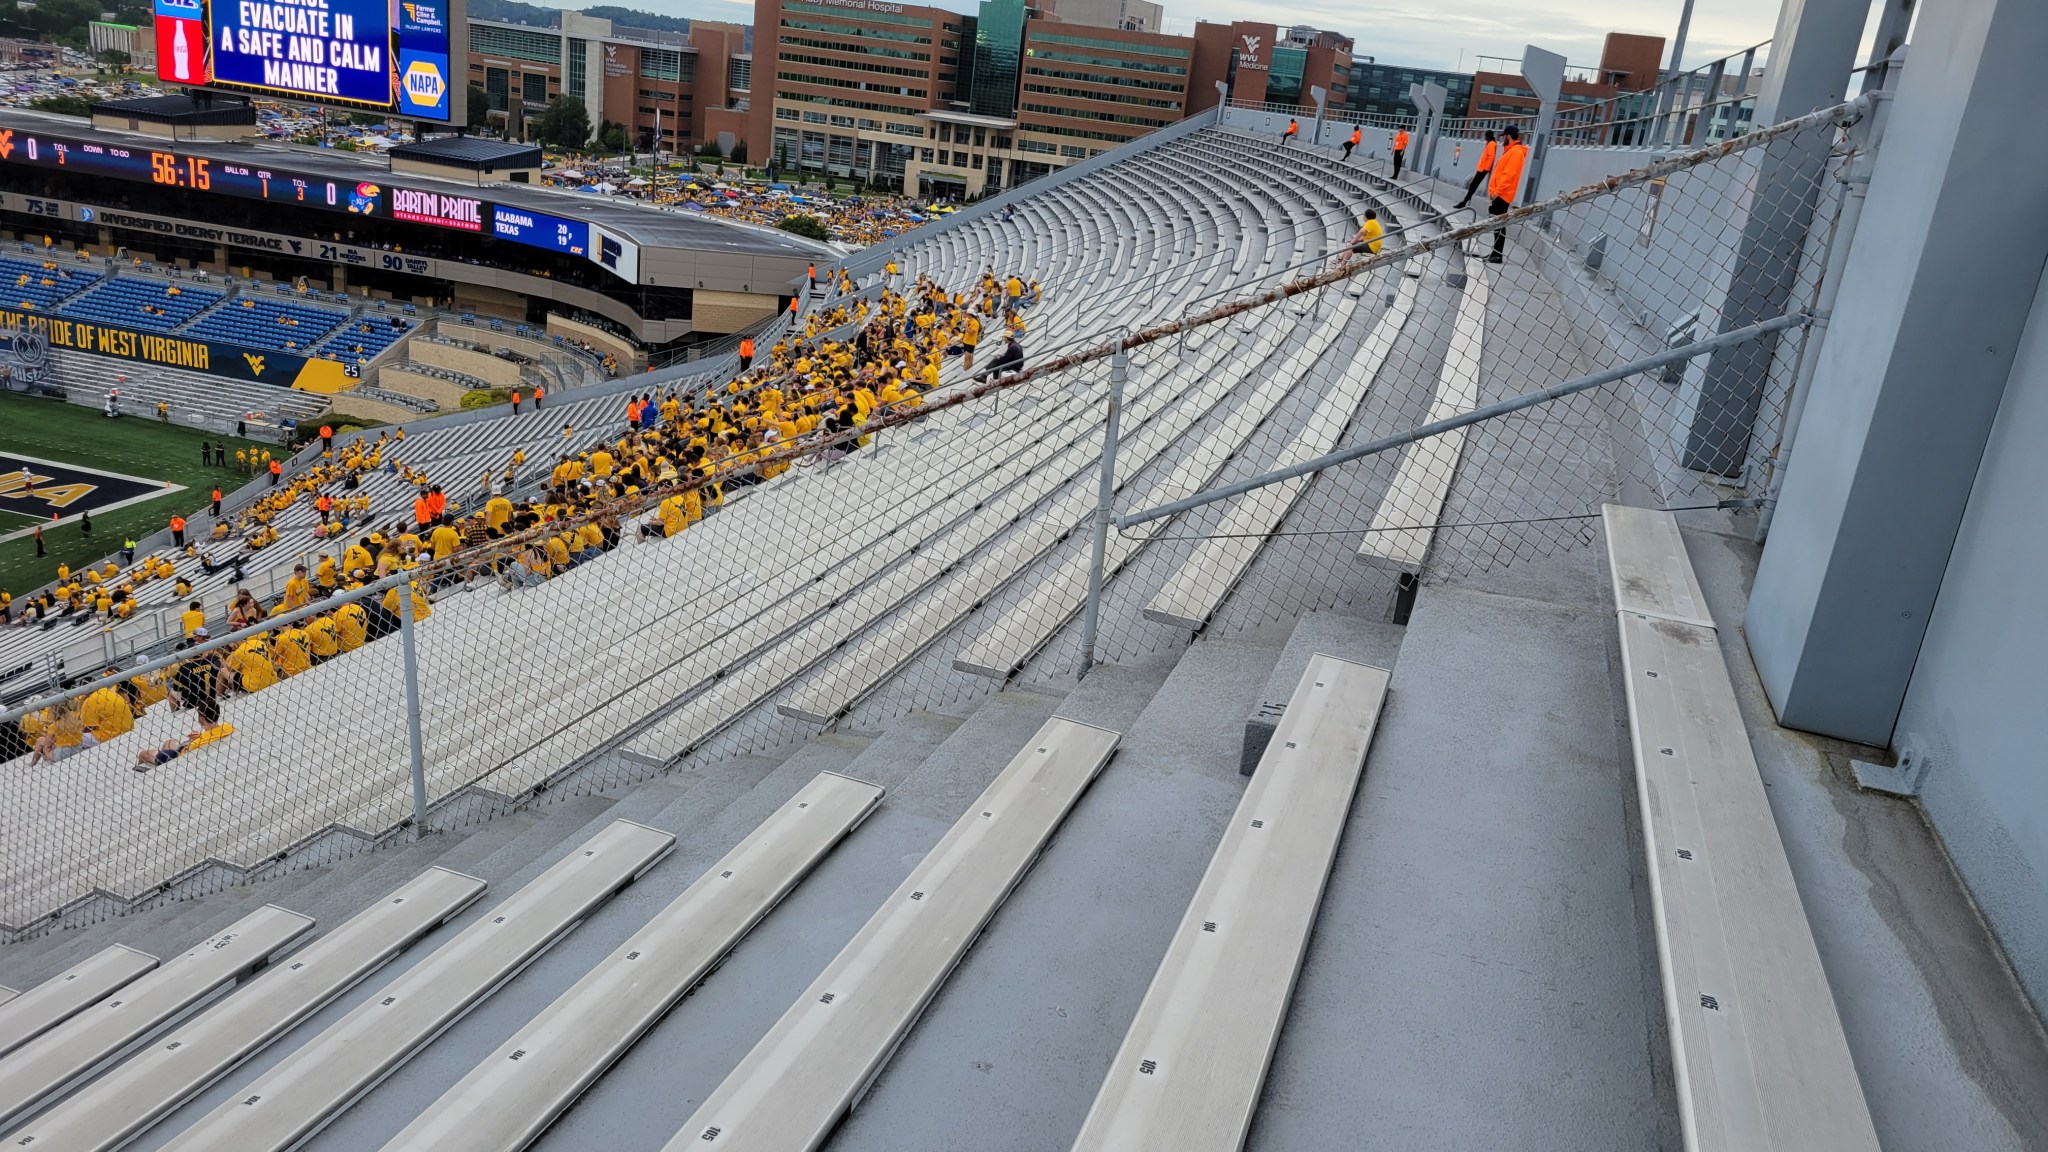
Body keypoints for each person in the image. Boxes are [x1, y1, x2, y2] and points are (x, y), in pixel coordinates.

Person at [1486, 125, 1529, 264]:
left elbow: (1508, 175)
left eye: (1504, 136)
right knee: (1497, 223)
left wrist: (1496, 193)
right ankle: (1495, 253)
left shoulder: (1515, 153)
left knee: (1499, 224)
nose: (1502, 139)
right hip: (1500, 193)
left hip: (1503, 194)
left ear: (1508, 136)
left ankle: (1497, 254)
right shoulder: (1511, 151)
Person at [1454, 130, 1499, 209]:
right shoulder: (1490, 143)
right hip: (1482, 168)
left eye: (1485, 136)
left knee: (1473, 185)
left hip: (1483, 169)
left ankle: (1464, 202)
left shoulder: (1491, 144)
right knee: (1473, 185)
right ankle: (1466, 201)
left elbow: (1491, 157)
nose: (1484, 137)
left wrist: (1486, 168)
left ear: (1488, 136)